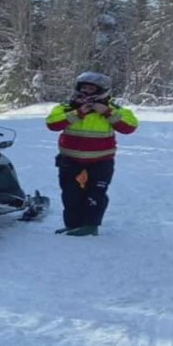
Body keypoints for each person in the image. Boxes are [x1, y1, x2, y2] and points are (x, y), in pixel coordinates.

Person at [45, 71, 138, 236]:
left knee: (96, 194)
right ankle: (72, 224)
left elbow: (129, 127)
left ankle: (91, 225)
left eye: (91, 88)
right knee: (70, 193)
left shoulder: (114, 109)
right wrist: (78, 113)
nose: (87, 92)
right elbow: (52, 124)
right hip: (70, 159)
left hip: (101, 160)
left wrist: (107, 113)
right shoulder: (66, 107)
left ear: (101, 90)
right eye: (84, 88)